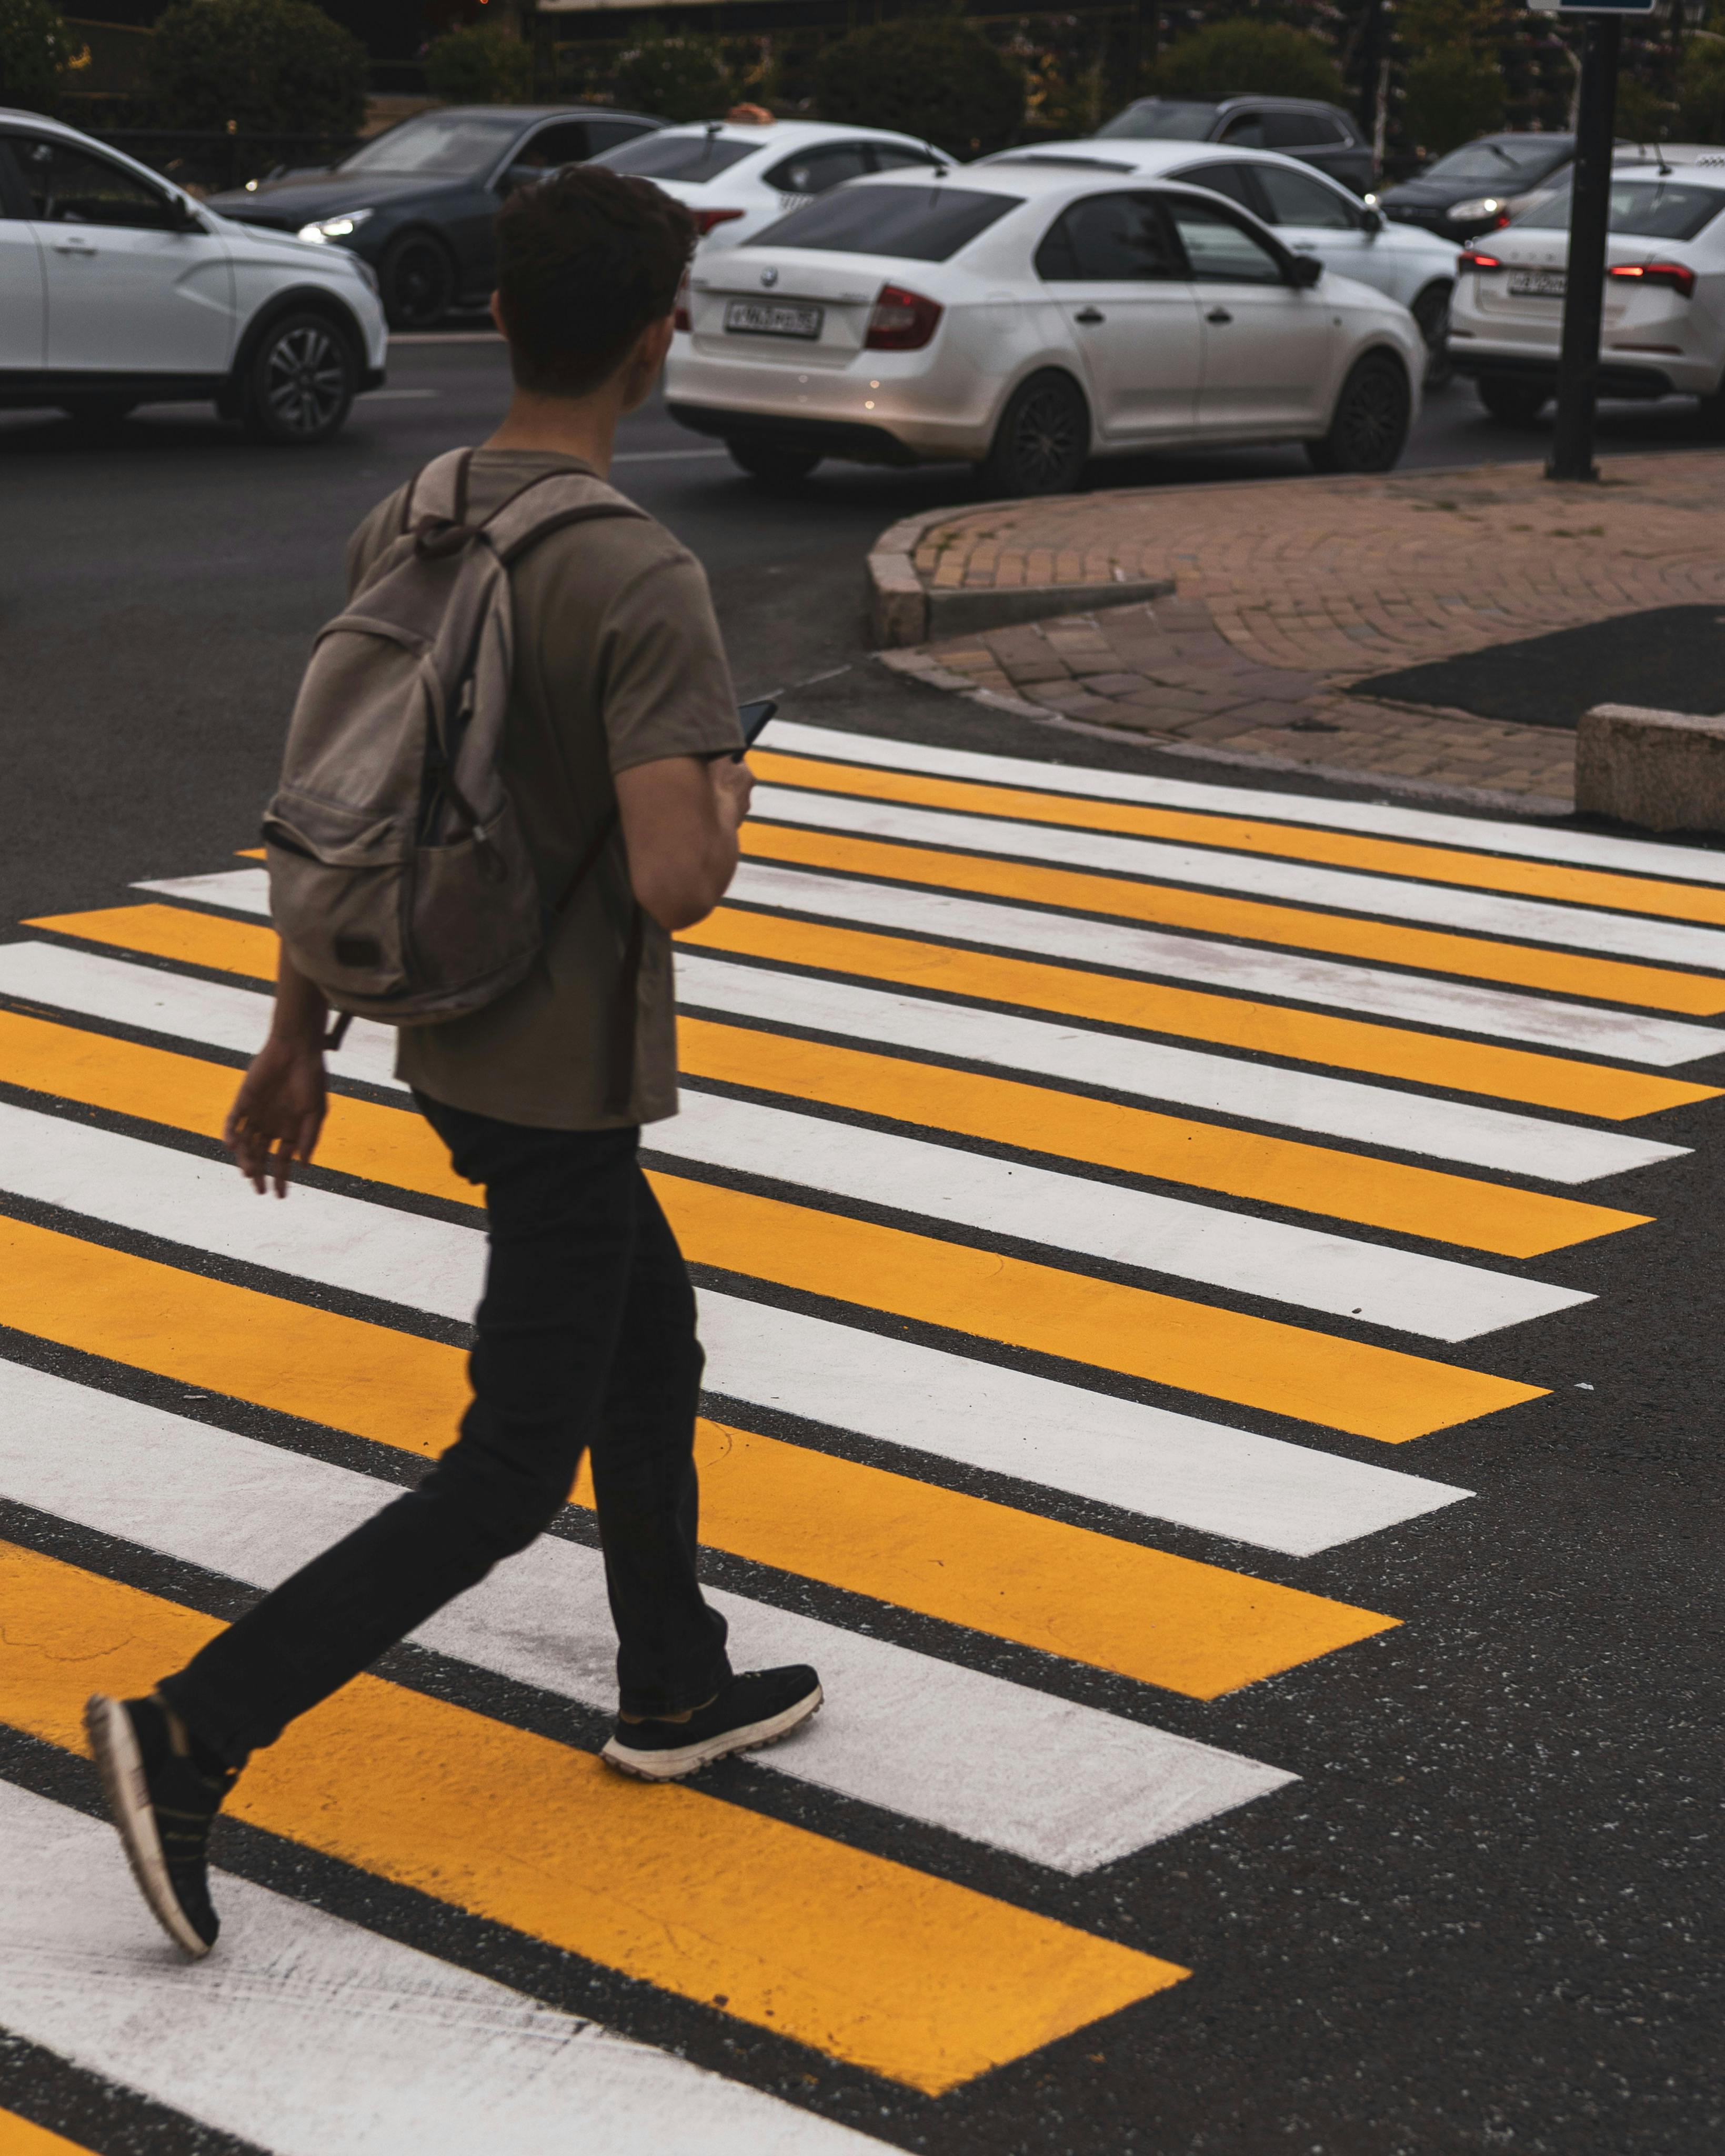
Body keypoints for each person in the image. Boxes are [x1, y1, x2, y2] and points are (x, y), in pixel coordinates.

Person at [85, 164, 821, 1961]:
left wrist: (293, 1036)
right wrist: (725, 774)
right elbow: (679, 883)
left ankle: (674, 1682)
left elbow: (346, 798)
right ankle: (194, 1734)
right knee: (509, 1467)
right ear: (659, 342)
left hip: (438, 1027)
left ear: (496, 317)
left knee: (657, 1342)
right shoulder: (637, 573)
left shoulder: (416, 510)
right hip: (561, 1078)